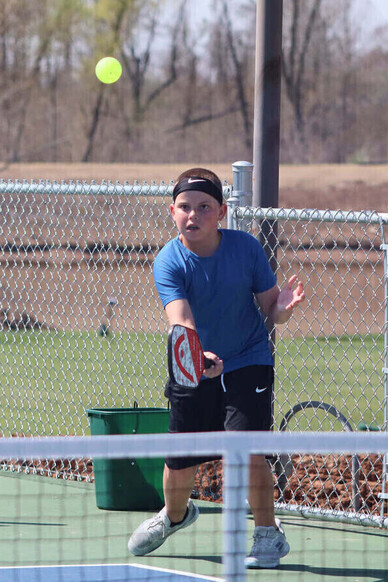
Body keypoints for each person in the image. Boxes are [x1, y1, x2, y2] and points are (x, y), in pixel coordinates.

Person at [127, 167, 305, 569]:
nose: (193, 216)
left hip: (248, 358)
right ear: (172, 211)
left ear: (222, 212)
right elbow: (181, 322)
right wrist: (199, 358)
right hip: (192, 363)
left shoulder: (246, 249)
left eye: (204, 207)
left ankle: (266, 533)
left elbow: (271, 312)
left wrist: (284, 308)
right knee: (180, 459)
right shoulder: (168, 262)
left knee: (246, 450)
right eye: (185, 208)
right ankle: (175, 515)